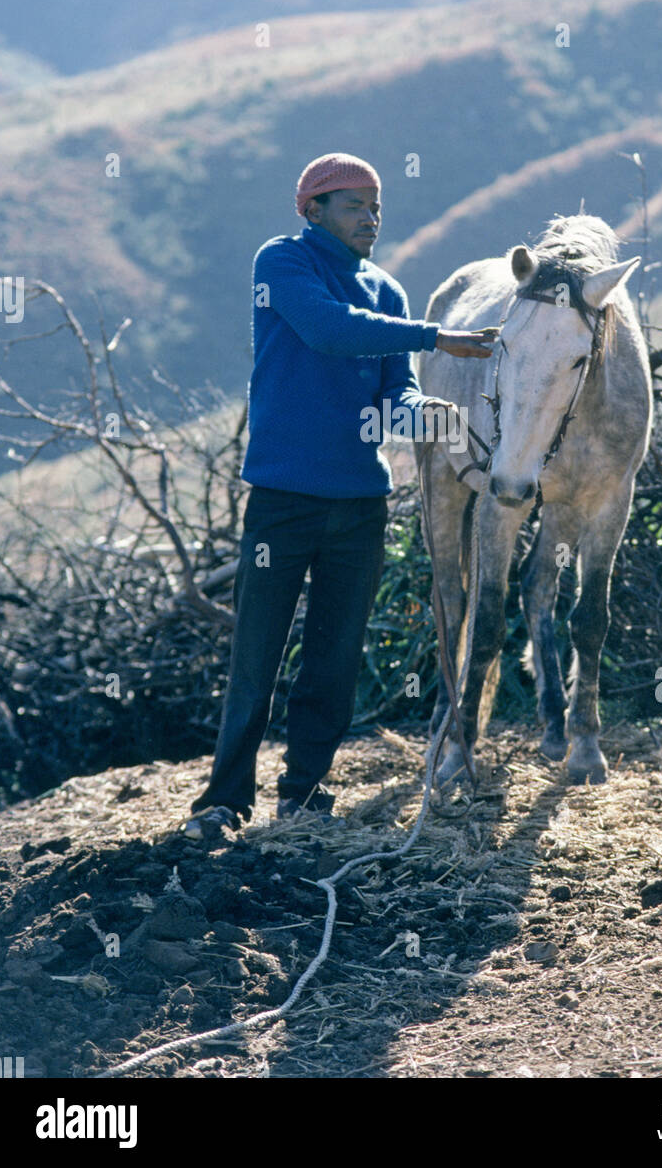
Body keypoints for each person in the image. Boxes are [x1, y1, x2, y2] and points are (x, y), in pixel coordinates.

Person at [184, 152, 496, 839]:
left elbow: (398, 397)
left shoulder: (387, 291)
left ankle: (303, 797)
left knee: (334, 657)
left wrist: (464, 429)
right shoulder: (283, 264)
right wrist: (436, 335)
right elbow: (328, 330)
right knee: (257, 654)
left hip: (360, 504)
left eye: (376, 205)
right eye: (354, 204)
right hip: (283, 498)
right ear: (312, 209)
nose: (371, 217)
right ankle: (223, 801)